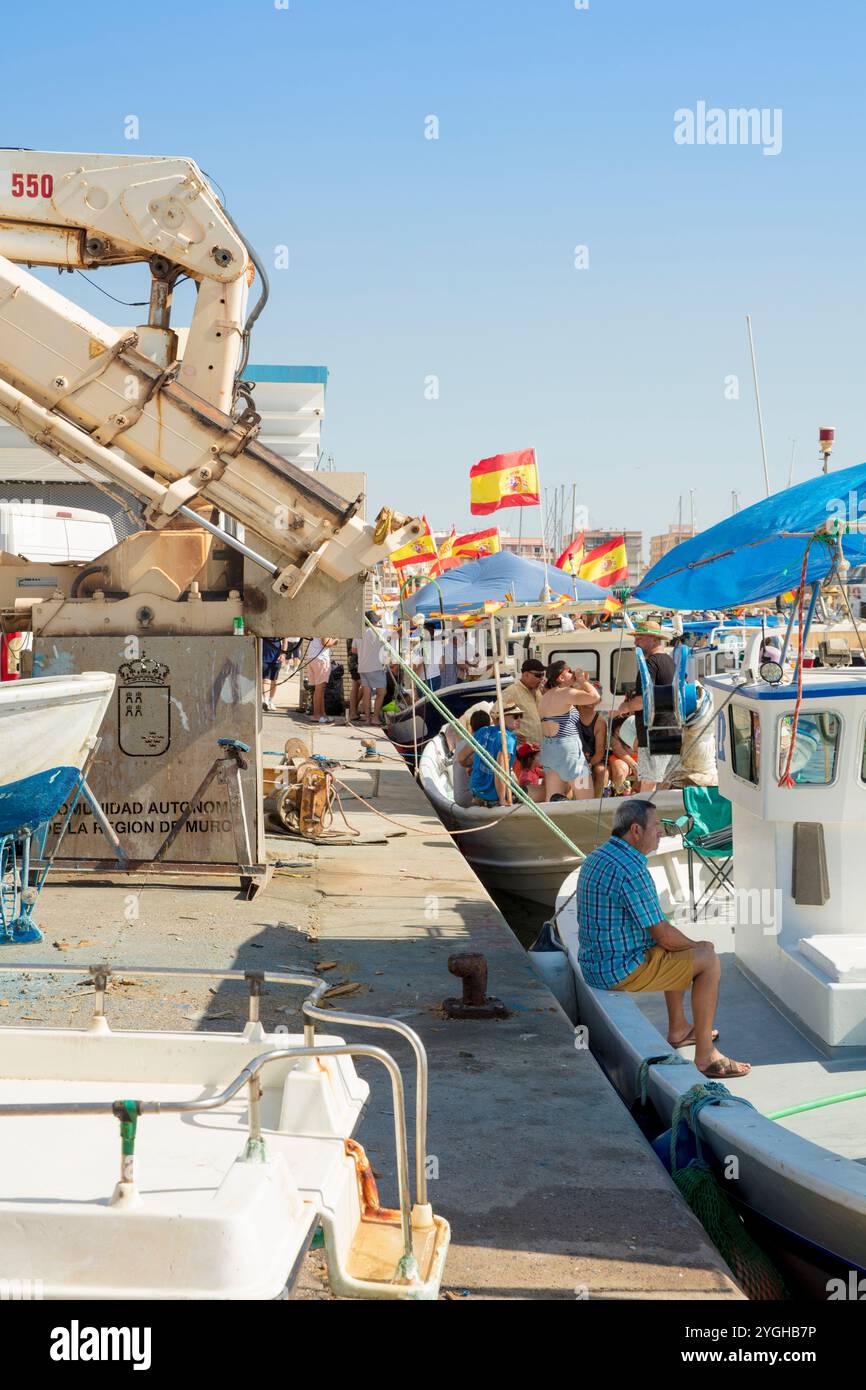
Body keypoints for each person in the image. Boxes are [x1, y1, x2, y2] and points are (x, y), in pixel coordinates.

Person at [576, 799, 749, 1079]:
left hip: (597, 961)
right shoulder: (632, 870)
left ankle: (679, 1029)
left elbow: (660, 934)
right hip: (617, 970)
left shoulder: (601, 855)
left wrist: (687, 947)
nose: (660, 832)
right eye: (655, 826)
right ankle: (706, 1057)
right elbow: (664, 936)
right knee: (707, 960)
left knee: (677, 948)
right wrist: (701, 948)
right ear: (635, 830)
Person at [613, 622, 677, 791]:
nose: (636, 643)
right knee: (664, 783)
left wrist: (623, 708)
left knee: (648, 783)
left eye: (640, 638)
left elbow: (644, 701)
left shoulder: (649, 664)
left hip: (653, 732)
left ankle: (644, 816)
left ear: (654, 639)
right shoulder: (670, 662)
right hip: (671, 729)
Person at [539, 661, 601, 801]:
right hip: (569, 750)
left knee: (554, 799)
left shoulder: (545, 697)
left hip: (549, 750)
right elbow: (595, 697)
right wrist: (583, 681)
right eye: (570, 672)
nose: (573, 674)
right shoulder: (565, 693)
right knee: (586, 799)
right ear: (561, 678)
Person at [457, 702, 522, 807]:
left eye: (520, 716)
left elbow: (461, 758)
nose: (519, 719)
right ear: (502, 718)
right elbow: (500, 772)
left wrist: (477, 765)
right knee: (536, 790)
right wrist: (502, 800)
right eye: (515, 716)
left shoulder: (483, 731)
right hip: (493, 797)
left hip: (477, 792)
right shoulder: (508, 740)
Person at [448, 708, 492, 807]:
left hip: (459, 796)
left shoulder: (461, 744)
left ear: (471, 727)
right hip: (470, 798)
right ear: (488, 728)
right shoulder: (480, 745)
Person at [354, 610, 389, 725]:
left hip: (363, 667)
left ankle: (367, 718)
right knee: (381, 692)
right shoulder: (379, 631)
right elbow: (396, 634)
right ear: (374, 621)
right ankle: (375, 718)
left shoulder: (358, 633)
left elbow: (354, 650)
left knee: (367, 693)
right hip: (376, 667)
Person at [501, 658, 545, 745]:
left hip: (539, 747)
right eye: (538, 675)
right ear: (526, 674)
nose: (541, 678)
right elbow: (496, 714)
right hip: (522, 750)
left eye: (543, 674)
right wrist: (509, 735)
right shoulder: (512, 692)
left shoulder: (538, 692)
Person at [307, 637, 337, 723]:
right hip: (321, 659)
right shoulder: (325, 626)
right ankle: (316, 716)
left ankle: (322, 715)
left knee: (319, 690)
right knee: (319, 690)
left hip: (312, 658)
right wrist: (336, 641)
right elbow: (325, 643)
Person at [261, 637, 288, 712]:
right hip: (264, 657)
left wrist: (283, 654)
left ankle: (270, 700)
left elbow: (285, 641)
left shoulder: (279, 628)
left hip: (277, 658)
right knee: (265, 679)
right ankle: (265, 700)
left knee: (274, 680)